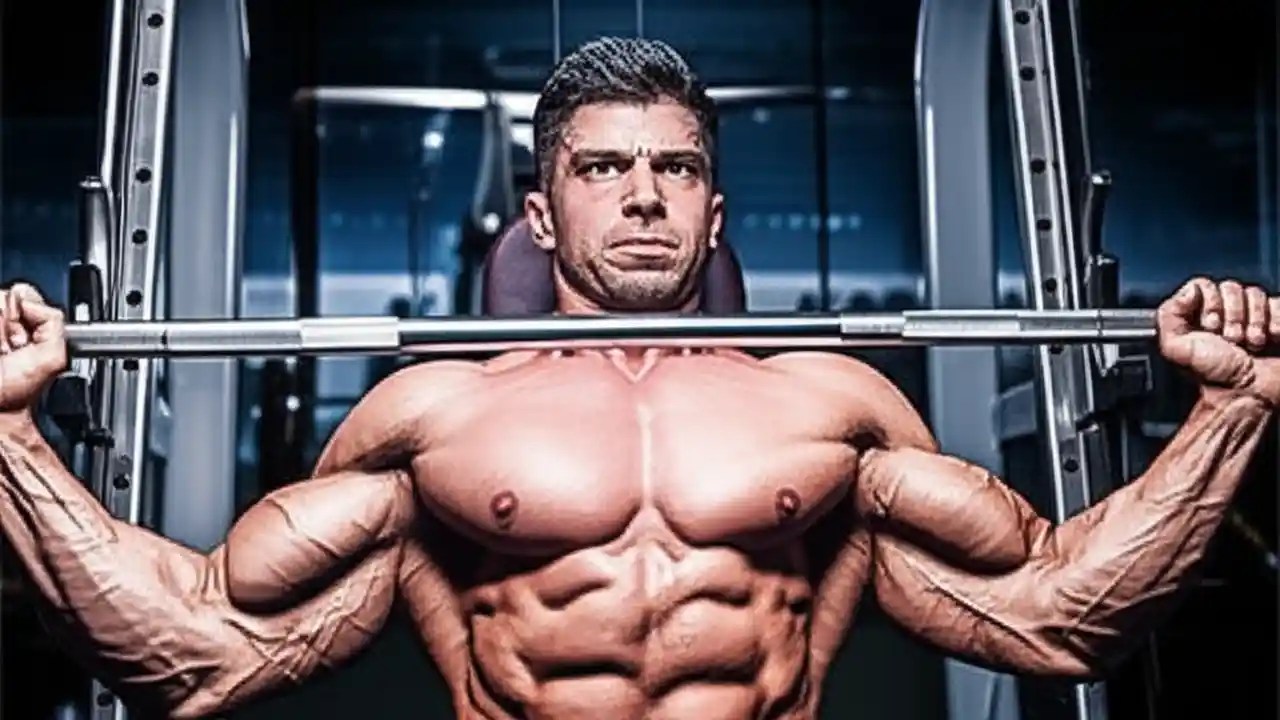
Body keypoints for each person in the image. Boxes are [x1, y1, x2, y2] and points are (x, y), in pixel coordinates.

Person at [1, 36, 1277, 720]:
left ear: (715, 212)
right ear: (541, 217)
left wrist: (1230, 410)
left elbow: (1058, 617)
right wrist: (10, 435)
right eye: (603, 168)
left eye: (673, 168)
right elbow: (200, 646)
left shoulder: (826, 407)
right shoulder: (430, 417)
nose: (644, 195)